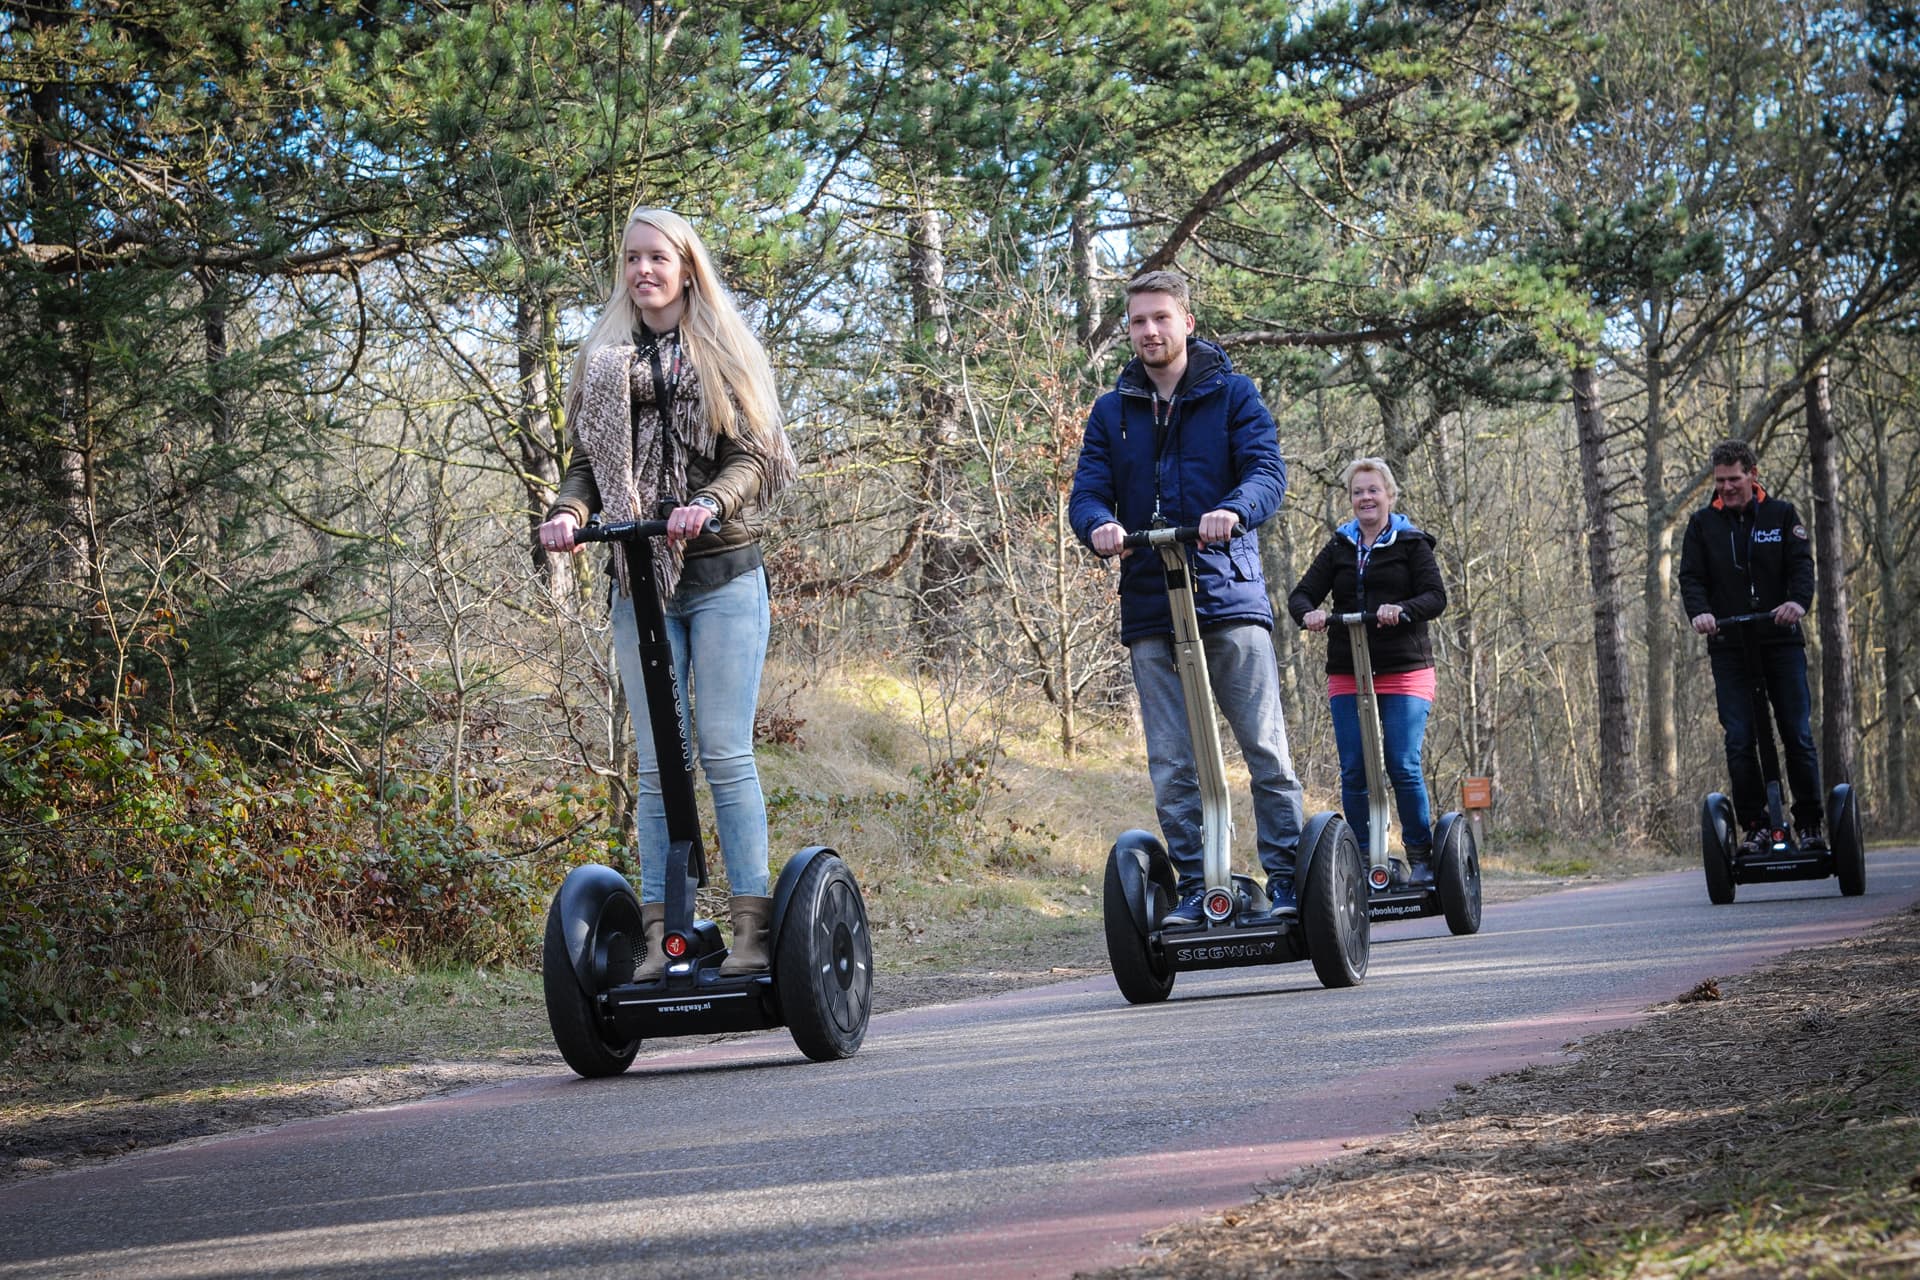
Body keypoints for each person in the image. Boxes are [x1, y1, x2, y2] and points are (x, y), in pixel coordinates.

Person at [535, 207, 797, 979]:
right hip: (637, 578)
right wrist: (568, 511)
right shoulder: (606, 359)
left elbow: (754, 457)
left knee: (722, 752)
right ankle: (662, 932)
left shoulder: (725, 353)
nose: (643, 271)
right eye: (631, 260)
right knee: (657, 766)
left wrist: (708, 503)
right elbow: (588, 463)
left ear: (687, 267)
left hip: (722, 575)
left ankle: (752, 927)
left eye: (658, 258)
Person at [1068, 270, 1306, 926]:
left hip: (1227, 598)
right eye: (1138, 321)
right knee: (1173, 761)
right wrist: (1098, 526)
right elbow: (1087, 492)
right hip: (1151, 605)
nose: (1149, 331)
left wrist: (1233, 509)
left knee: (1264, 749)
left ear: (1187, 323)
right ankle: (1206, 885)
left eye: (1160, 319)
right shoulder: (1112, 411)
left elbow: (1266, 472)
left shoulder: (1231, 396)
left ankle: (1287, 881)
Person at [1287, 458, 1447, 882]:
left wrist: (1403, 609)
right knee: (1355, 766)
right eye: (1358, 492)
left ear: (1389, 495)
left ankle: (1421, 856)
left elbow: (1435, 597)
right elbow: (1300, 595)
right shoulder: (1340, 546)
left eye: (1373, 490)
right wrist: (1310, 615)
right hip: (1348, 669)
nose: (1366, 498)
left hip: (1404, 668)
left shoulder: (1411, 543)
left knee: (1401, 762)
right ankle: (1359, 859)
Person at [1677, 438, 1822, 852]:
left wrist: (1797, 602)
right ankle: (1757, 825)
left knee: (1796, 732)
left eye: (1734, 478)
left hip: (1780, 641)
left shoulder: (1781, 515)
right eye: (1720, 480)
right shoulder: (1703, 525)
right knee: (1740, 738)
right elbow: (1691, 578)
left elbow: (1800, 565)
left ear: (1752, 475)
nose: (1726, 487)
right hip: (1730, 645)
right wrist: (1700, 613)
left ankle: (1809, 823)